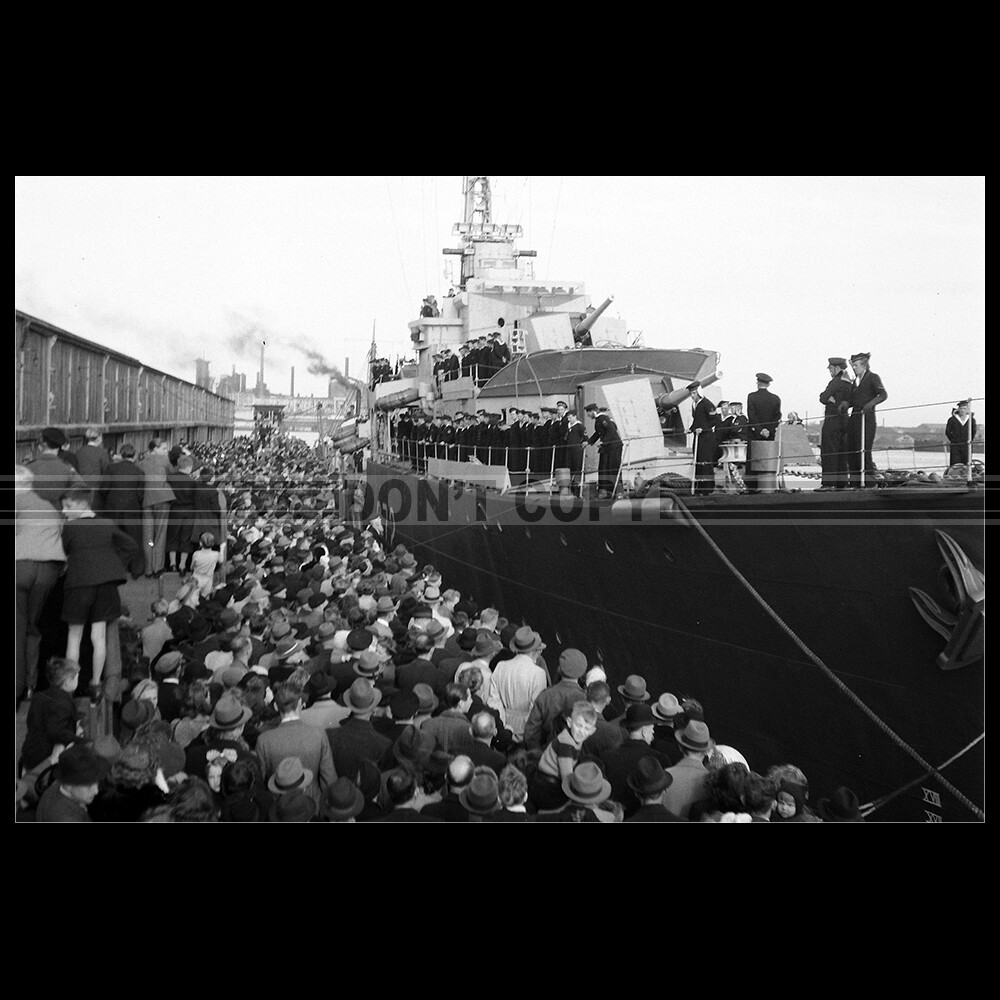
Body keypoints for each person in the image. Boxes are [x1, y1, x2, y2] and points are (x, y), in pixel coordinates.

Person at [61, 488, 141, 702]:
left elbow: (65, 550)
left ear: (81, 505)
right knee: (99, 637)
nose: (64, 511)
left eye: (68, 506)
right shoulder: (106, 523)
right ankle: (96, 683)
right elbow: (131, 545)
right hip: (107, 585)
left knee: (74, 637)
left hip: (79, 583)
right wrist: (115, 564)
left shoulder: (69, 527)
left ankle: (70, 685)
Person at [15, 464, 67, 703]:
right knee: (32, 627)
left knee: (18, 626)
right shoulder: (48, 506)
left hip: (21, 565)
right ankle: (31, 683)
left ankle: (17, 685)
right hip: (49, 569)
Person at [846, 352, 888, 488]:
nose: (854, 368)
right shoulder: (856, 381)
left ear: (864, 365)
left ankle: (870, 482)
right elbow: (854, 399)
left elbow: (883, 394)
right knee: (851, 448)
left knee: (863, 450)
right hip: (855, 417)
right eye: (853, 366)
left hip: (866, 418)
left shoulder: (872, 378)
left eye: (856, 365)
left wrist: (870, 404)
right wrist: (847, 404)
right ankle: (855, 482)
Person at [138, 438, 177, 576]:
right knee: (160, 534)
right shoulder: (164, 460)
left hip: (147, 500)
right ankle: (157, 567)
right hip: (163, 498)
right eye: (164, 448)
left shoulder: (140, 463)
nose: (166, 451)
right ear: (155, 448)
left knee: (148, 536)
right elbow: (173, 473)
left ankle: (148, 569)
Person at [25, 426, 85, 507]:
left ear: (40, 447)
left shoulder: (28, 468)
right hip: (58, 514)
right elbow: (81, 489)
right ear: (58, 447)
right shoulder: (67, 468)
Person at [818, 358, 854, 489]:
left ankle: (829, 483)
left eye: (831, 368)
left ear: (836, 368)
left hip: (832, 420)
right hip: (845, 421)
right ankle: (842, 483)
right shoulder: (849, 382)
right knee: (842, 453)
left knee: (829, 452)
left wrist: (829, 398)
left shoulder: (835, 382)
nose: (830, 371)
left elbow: (822, 397)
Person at [103, 442, 144, 549]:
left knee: (112, 537)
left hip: (113, 506)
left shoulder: (111, 468)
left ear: (121, 454)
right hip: (131, 507)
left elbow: (104, 488)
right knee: (131, 538)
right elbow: (140, 494)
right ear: (134, 455)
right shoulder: (139, 472)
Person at [746, 373, 781, 492]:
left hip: (755, 435)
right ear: (768, 384)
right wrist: (768, 430)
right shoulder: (776, 398)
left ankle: (752, 487)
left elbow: (752, 416)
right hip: (769, 436)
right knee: (768, 461)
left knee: (753, 459)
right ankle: (768, 486)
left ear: (758, 383)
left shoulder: (751, 397)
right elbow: (777, 417)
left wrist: (760, 430)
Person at [585, 403, 624, 498]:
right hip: (607, 448)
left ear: (592, 411)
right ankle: (605, 490)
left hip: (614, 447)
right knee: (603, 468)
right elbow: (598, 433)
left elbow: (611, 431)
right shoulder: (599, 420)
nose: (588, 416)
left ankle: (618, 491)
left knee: (613, 467)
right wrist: (589, 441)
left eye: (588, 413)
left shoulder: (603, 418)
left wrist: (604, 442)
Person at [688, 386, 719, 495]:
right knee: (698, 461)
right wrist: (691, 429)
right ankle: (699, 487)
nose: (692, 396)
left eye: (694, 393)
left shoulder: (707, 404)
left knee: (706, 462)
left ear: (699, 393)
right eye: (691, 394)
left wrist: (704, 428)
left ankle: (708, 488)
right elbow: (697, 420)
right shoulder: (695, 405)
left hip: (706, 437)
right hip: (698, 437)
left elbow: (715, 419)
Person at [190, 532, 224, 597]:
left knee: (194, 595)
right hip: (208, 578)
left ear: (200, 543)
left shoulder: (196, 554)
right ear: (213, 544)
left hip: (197, 576)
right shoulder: (215, 554)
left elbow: (192, 566)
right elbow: (221, 561)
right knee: (205, 596)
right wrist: (222, 549)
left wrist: (192, 571)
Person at [945, 400, 977, 469]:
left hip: (967, 445)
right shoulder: (952, 420)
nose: (962, 410)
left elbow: (973, 431)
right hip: (955, 446)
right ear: (958, 409)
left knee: (967, 464)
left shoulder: (971, 420)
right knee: (955, 464)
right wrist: (953, 440)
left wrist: (969, 440)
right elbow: (948, 432)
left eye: (964, 409)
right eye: (961, 408)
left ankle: (967, 477)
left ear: (968, 410)